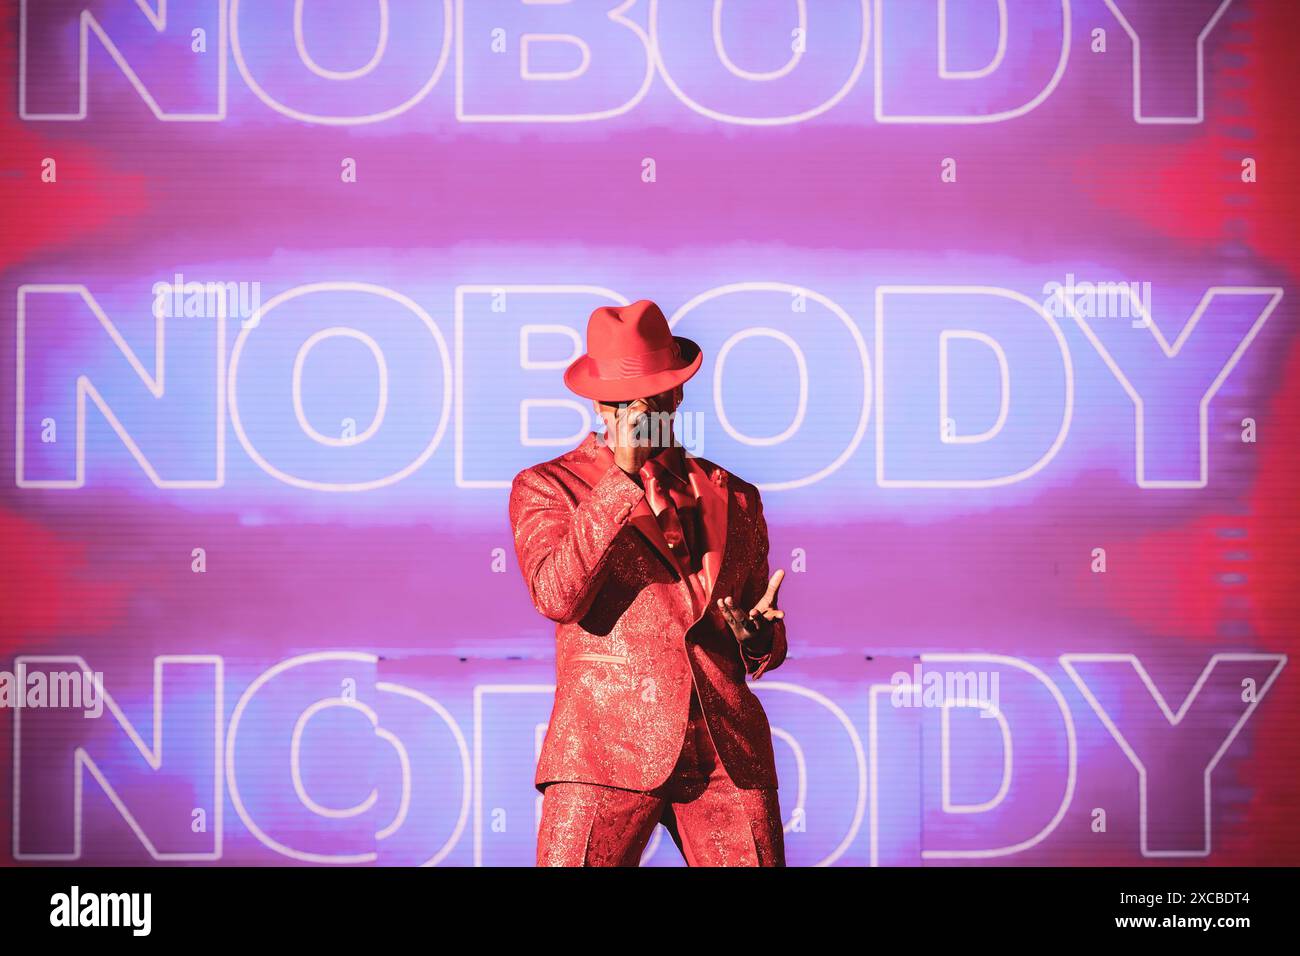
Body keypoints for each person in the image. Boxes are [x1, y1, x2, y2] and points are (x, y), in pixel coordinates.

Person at [508, 298, 789, 866]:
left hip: (724, 753)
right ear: (596, 401)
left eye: (650, 397)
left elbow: (760, 629)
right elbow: (556, 594)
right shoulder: (548, 486)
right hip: (602, 752)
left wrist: (759, 641)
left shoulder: (735, 495)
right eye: (619, 401)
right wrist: (621, 478)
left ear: (677, 393)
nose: (634, 413)